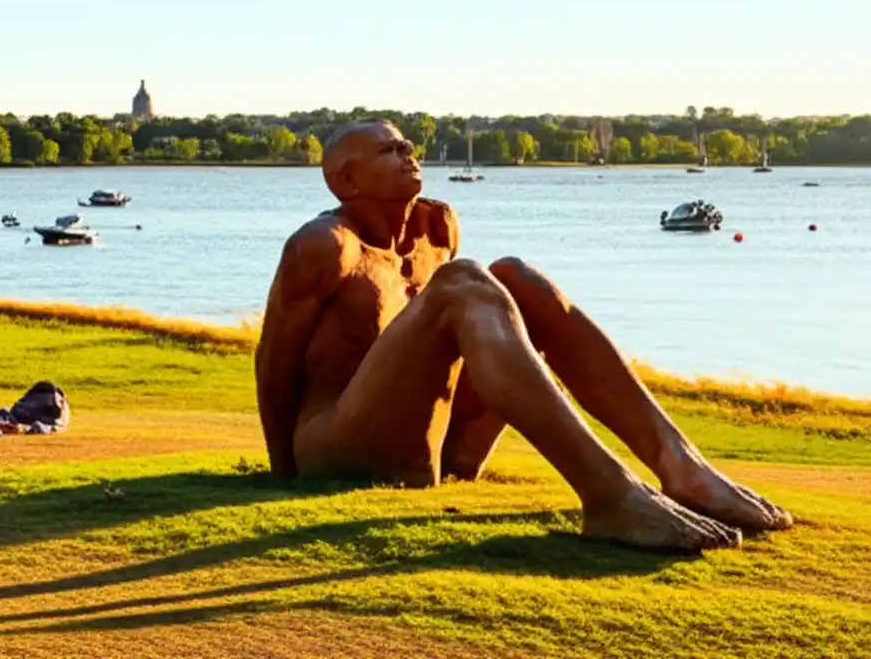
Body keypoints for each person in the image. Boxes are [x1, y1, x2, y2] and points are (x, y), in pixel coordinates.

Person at [254, 120, 793, 553]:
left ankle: (683, 467)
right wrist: (285, 472)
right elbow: (274, 359)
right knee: (464, 281)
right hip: (338, 445)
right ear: (345, 181)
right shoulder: (325, 245)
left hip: (436, 447)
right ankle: (609, 494)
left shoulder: (435, 227)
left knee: (515, 277)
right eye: (389, 150)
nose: (408, 152)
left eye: (407, 144)